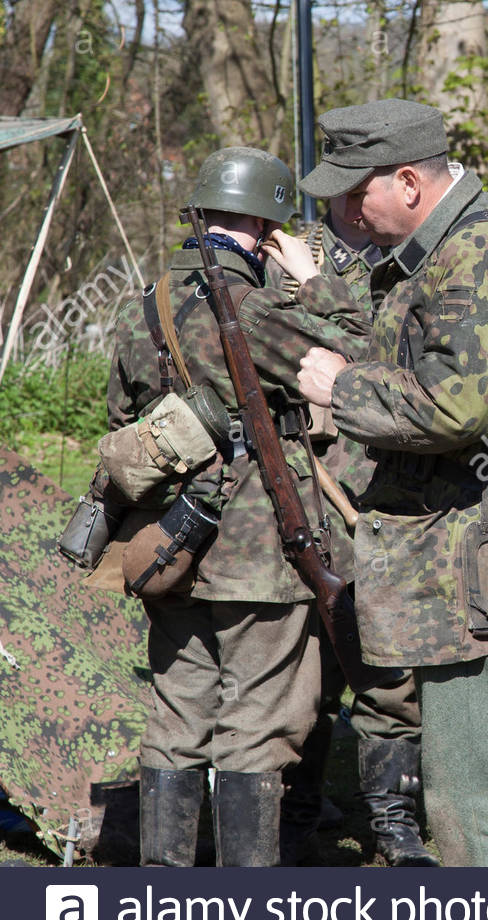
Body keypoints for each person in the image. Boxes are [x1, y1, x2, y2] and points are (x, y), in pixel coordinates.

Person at [279, 98, 488, 866]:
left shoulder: (476, 256)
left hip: (485, 568)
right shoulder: (449, 251)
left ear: (410, 182)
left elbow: (456, 406)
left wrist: (342, 388)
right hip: (479, 556)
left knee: (474, 801)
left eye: (357, 191)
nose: (346, 210)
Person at [107, 147, 363, 866]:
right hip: (259, 553)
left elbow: (119, 414)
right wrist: (318, 287)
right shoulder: (259, 310)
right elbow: (357, 365)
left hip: (169, 542)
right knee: (257, 723)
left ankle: (165, 890)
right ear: (262, 221)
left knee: (177, 712)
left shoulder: (148, 304)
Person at [268, 197, 434, 867]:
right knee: (300, 675)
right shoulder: (284, 263)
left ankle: (394, 824)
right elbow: (285, 357)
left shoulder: (418, 255)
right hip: (308, 493)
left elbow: (420, 365)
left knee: (390, 670)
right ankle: (296, 818)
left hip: (394, 497)